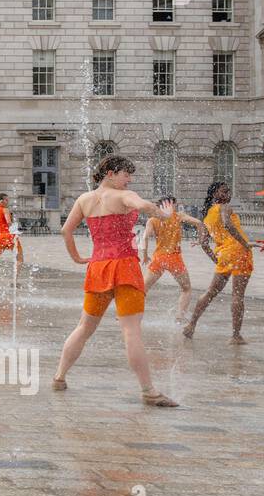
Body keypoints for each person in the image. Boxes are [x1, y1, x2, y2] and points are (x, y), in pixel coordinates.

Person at [50, 155, 179, 407]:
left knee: (84, 327)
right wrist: (163, 215)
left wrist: (77, 258)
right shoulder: (123, 196)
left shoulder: (84, 199)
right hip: (124, 267)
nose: (129, 179)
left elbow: (66, 230)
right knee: (131, 330)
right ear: (110, 173)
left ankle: (59, 377)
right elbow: (142, 205)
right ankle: (149, 391)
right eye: (125, 174)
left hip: (98, 267)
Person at [183, 181, 253, 345]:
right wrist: (245, 243)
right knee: (238, 295)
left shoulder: (207, 216)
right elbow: (227, 224)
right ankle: (235, 336)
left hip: (225, 255)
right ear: (215, 194)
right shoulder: (225, 208)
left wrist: (216, 259)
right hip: (239, 253)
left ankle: (191, 324)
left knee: (210, 292)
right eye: (224, 191)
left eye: (228, 191)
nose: (228, 194)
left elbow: (204, 243)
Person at [141, 196, 207, 321]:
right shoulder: (178, 216)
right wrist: (201, 240)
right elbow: (199, 223)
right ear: (170, 204)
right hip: (174, 259)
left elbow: (144, 237)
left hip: (159, 258)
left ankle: (128, 314)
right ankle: (179, 317)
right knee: (186, 289)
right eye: (175, 204)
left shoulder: (152, 220)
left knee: (143, 289)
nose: (176, 207)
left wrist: (144, 255)